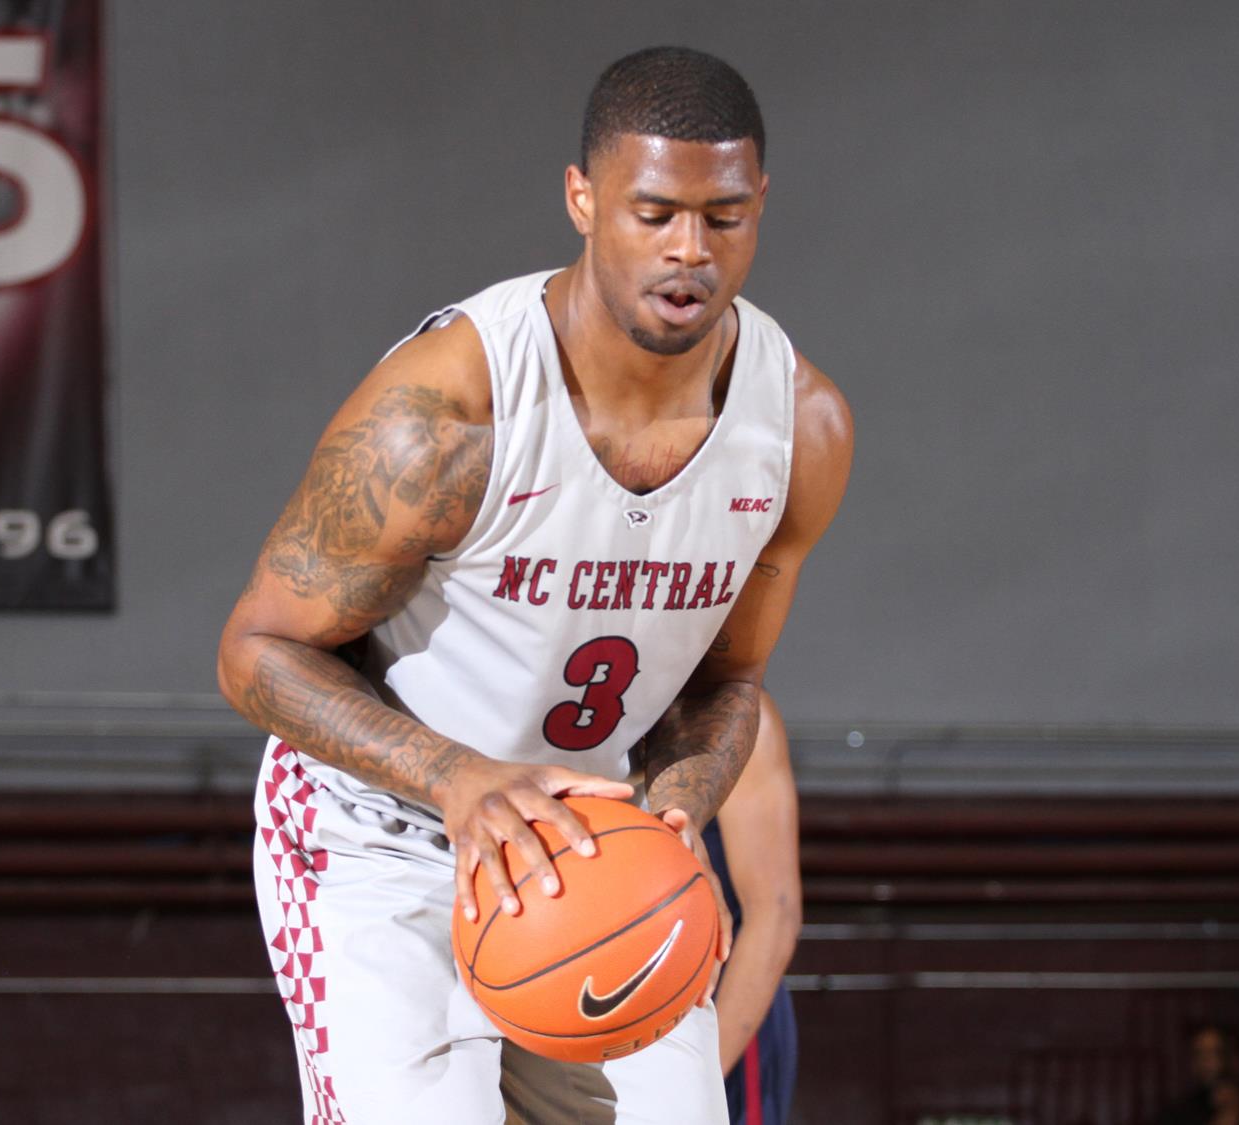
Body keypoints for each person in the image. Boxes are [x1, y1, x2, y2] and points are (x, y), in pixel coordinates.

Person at [218, 45, 853, 1125]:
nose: (688, 250)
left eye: (723, 215)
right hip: (380, 838)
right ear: (580, 198)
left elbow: (728, 681)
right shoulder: (450, 407)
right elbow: (256, 653)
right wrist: (460, 781)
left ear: (760, 207)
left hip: (593, 848)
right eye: (652, 213)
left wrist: (675, 811)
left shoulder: (797, 427)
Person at [701, 690, 800, 1125]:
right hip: (591, 1003)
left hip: (720, 1010)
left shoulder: (732, 711)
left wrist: (700, 1080)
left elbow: (775, 914)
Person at [1156, 1023, 1239, 1125]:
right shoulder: (1178, 1114)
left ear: (1236, 1059)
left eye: (1216, 1053)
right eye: (1198, 1054)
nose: (1205, 1062)